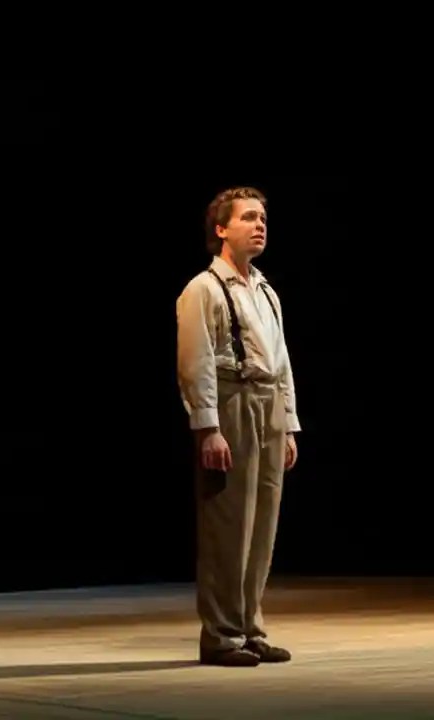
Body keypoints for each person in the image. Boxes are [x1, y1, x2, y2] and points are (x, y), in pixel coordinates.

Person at [175, 186, 301, 667]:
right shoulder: (202, 289)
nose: (260, 225)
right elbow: (196, 362)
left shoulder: (267, 291)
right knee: (229, 525)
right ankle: (221, 634)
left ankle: (250, 626)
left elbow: (282, 360)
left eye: (263, 218)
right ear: (222, 229)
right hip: (232, 401)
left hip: (267, 403)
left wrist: (288, 423)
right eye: (249, 217)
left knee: (262, 525)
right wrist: (208, 428)